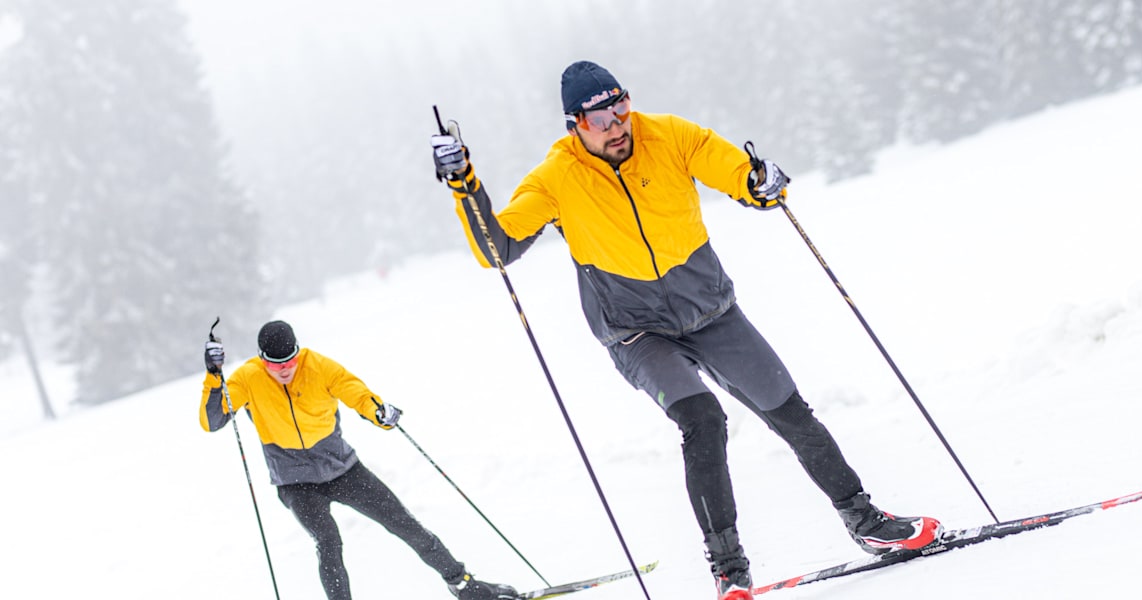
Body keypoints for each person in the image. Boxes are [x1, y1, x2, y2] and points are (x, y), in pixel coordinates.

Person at [430, 61, 942, 600]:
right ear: (574, 124)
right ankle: (728, 568)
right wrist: (466, 184)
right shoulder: (557, 177)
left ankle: (865, 521)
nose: (617, 123)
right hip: (636, 331)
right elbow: (497, 248)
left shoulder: (670, 135)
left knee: (788, 409)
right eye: (601, 116)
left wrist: (757, 181)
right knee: (703, 418)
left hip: (711, 312)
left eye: (621, 106)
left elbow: (729, 167)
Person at [199, 320, 518, 600]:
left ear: (299, 352)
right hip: (296, 482)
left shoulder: (320, 366)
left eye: (290, 360)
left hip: (343, 469)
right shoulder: (247, 378)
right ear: (262, 360)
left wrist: (379, 412)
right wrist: (214, 377)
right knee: (328, 543)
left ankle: (464, 586)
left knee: (403, 523)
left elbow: (355, 392)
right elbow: (213, 421)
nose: (284, 369)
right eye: (274, 364)